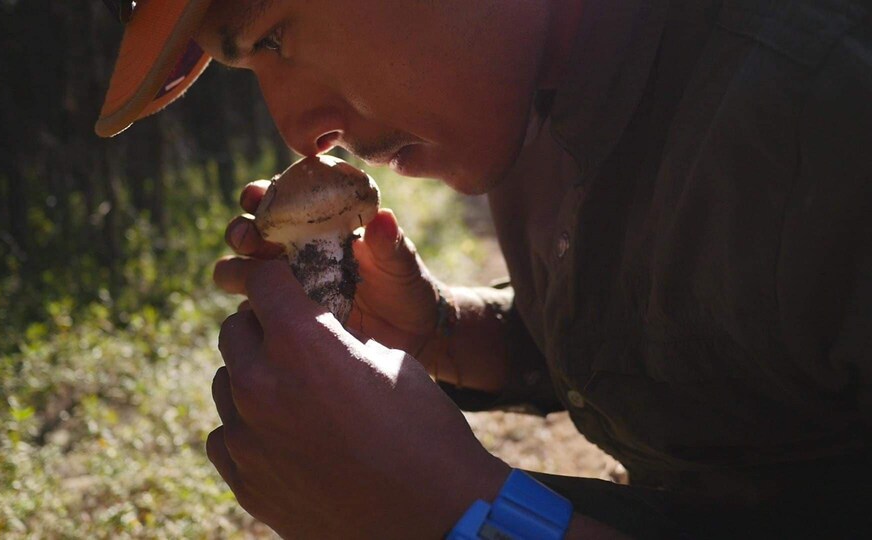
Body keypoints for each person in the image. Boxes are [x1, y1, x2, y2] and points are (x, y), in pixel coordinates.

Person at [95, 0, 872, 537]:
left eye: (273, 37)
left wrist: (459, 516)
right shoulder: (529, 92)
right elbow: (727, 341)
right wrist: (445, 333)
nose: (301, 129)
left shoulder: (829, 106)